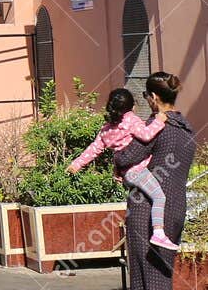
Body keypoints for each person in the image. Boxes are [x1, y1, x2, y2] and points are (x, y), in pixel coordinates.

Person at [116, 72, 196, 290]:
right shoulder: (185, 128)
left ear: (152, 97)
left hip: (147, 213)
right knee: (160, 279)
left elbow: (125, 155)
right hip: (174, 210)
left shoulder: (156, 128)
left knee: (148, 285)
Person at [69, 88, 178, 250]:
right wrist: (159, 120)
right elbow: (147, 135)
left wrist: (76, 164)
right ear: (132, 106)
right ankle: (158, 233)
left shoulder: (106, 129)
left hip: (127, 174)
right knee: (159, 197)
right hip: (138, 171)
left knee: (145, 198)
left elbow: (94, 149)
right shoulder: (131, 121)